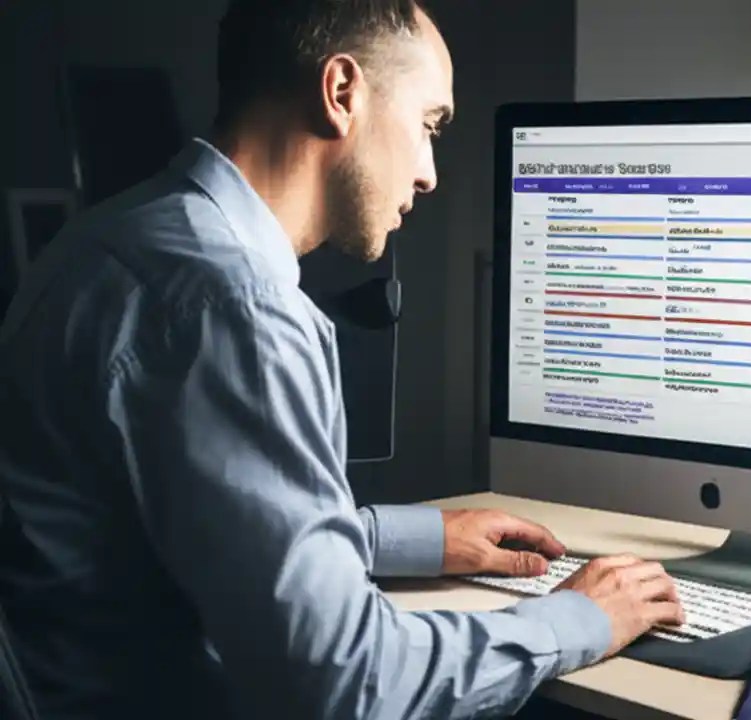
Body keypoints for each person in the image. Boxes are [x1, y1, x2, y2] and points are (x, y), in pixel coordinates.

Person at [0, 1, 685, 718]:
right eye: (430, 125)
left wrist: (411, 538)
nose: (429, 174)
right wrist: (577, 621)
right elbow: (348, 683)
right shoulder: (234, 307)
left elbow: (188, 528)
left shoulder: (111, 240)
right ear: (342, 92)